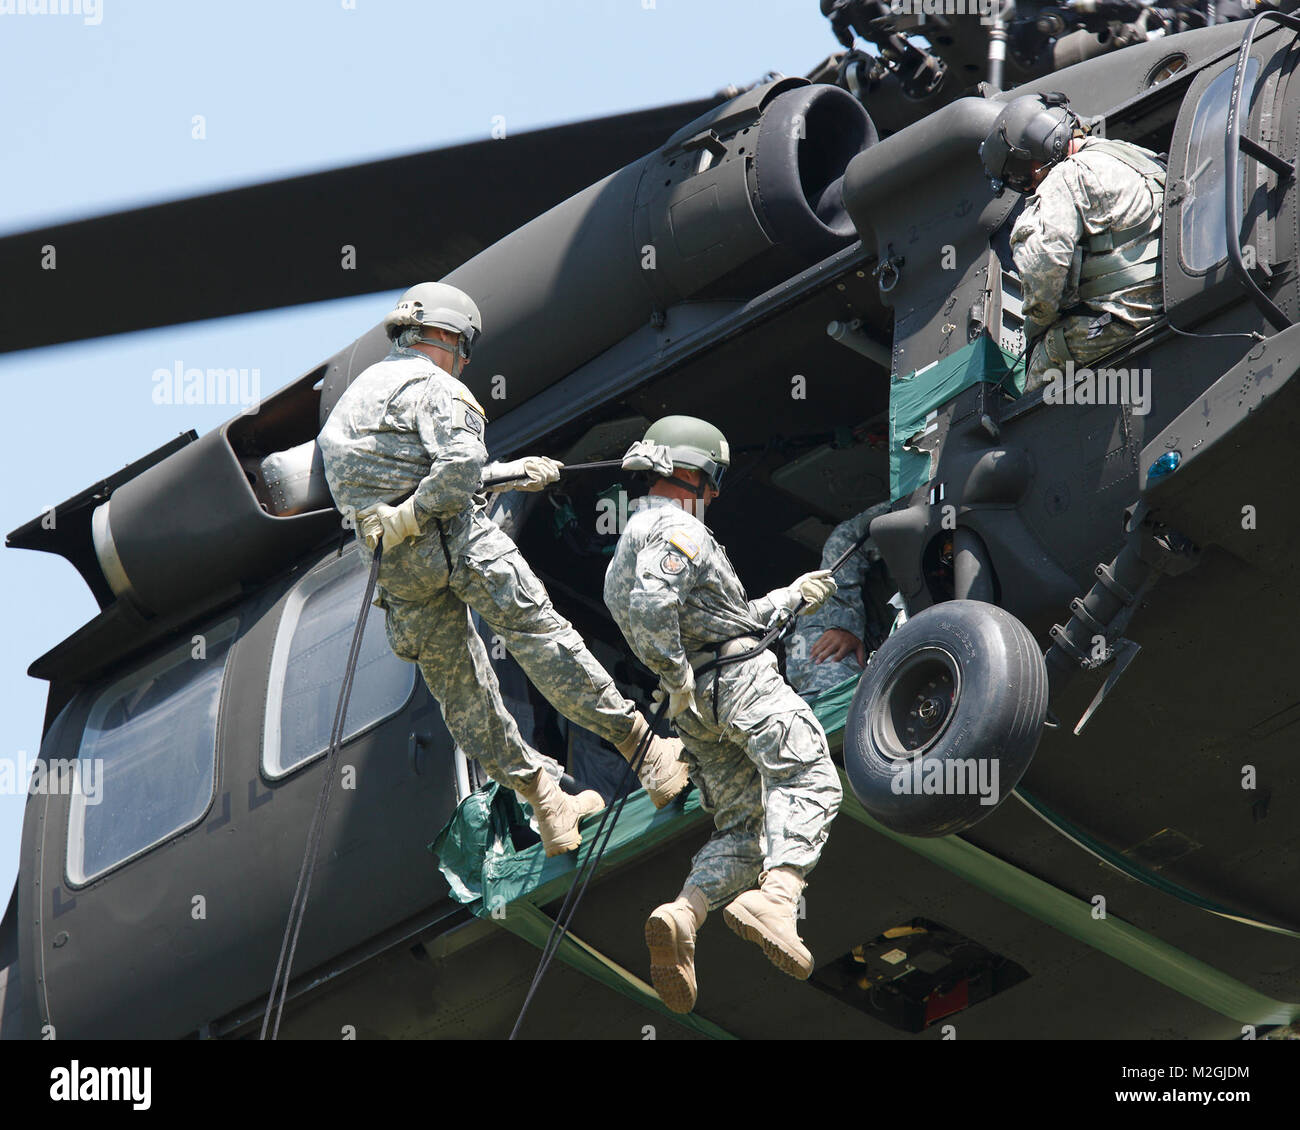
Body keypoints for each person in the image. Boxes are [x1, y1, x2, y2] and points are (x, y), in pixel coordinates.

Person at [317, 282, 688, 857]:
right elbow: (458, 464)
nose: (463, 363)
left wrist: (510, 474)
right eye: (464, 349)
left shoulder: (351, 407)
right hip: (461, 542)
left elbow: (404, 477)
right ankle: (646, 753)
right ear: (443, 336)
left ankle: (546, 799)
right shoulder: (434, 386)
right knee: (543, 640)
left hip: (404, 576)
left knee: (466, 695)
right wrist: (422, 509)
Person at [603, 415, 844, 1013]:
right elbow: (658, 602)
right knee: (809, 774)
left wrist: (792, 596)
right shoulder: (674, 528)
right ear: (692, 471)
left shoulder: (624, 550)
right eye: (712, 483)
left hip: (698, 709)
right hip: (738, 683)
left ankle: (686, 913)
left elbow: (715, 621)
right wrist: (678, 673)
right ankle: (779, 899)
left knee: (745, 824)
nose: (711, 497)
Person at [979, 92, 1166, 393]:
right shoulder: (1126, 153)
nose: (1028, 185)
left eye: (1024, 178)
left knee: (1042, 365)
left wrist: (1040, 323)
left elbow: (1042, 281)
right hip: (1166, 296)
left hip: (1126, 317)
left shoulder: (1065, 178)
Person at [785, 500, 894, 700]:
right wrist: (844, 625)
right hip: (831, 623)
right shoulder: (918, 500)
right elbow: (847, 536)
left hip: (892, 639)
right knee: (834, 690)